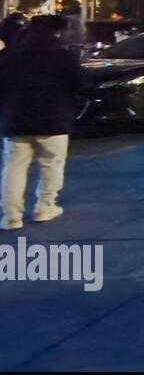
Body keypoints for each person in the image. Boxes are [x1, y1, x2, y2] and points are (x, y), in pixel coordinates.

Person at [0, 15, 90, 229]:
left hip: (16, 118)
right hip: (54, 118)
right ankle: (44, 207)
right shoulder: (62, 55)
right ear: (57, 32)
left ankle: (11, 216)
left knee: (14, 167)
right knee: (51, 165)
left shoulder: (10, 55)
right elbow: (82, 82)